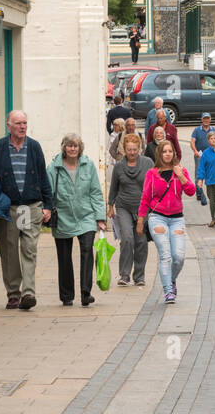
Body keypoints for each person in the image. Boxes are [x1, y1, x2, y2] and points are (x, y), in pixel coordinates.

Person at [0, 111, 53, 311]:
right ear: (9, 126)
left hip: (31, 207)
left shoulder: (35, 147)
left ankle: (28, 293)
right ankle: (13, 294)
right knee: (9, 251)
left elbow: (43, 177)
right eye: (18, 123)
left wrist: (48, 205)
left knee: (29, 249)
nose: (22, 127)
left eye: (25, 123)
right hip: (9, 209)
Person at [46, 135, 106, 307]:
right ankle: (66, 295)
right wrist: (46, 210)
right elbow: (47, 192)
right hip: (63, 216)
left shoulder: (88, 165)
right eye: (69, 146)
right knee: (64, 258)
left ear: (80, 148)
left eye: (76, 146)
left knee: (87, 250)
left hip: (86, 215)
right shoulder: (53, 168)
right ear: (64, 148)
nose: (72, 149)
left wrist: (100, 217)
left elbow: (95, 192)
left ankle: (86, 293)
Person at [137, 141, 196, 304]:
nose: (168, 154)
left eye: (170, 151)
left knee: (179, 257)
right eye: (165, 151)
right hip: (157, 217)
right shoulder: (152, 173)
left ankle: (171, 279)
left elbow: (191, 192)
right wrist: (141, 220)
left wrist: (181, 176)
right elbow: (145, 197)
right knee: (165, 255)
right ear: (159, 154)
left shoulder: (180, 170)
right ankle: (168, 291)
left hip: (177, 219)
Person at [108, 130, 153, 287]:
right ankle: (125, 275)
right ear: (124, 150)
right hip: (124, 206)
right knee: (127, 238)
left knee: (141, 241)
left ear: (140, 149)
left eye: (135, 149)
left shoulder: (148, 163)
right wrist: (110, 205)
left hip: (143, 207)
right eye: (129, 150)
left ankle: (139, 276)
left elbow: (154, 185)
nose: (132, 152)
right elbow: (114, 187)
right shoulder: (119, 166)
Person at [190, 113, 215, 205]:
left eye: (208, 118)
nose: (206, 120)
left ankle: (212, 193)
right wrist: (195, 151)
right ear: (201, 120)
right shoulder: (197, 130)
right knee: (199, 174)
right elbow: (192, 142)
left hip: (211, 156)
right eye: (204, 119)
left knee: (211, 173)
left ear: (210, 119)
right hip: (200, 155)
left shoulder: (214, 130)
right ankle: (199, 193)